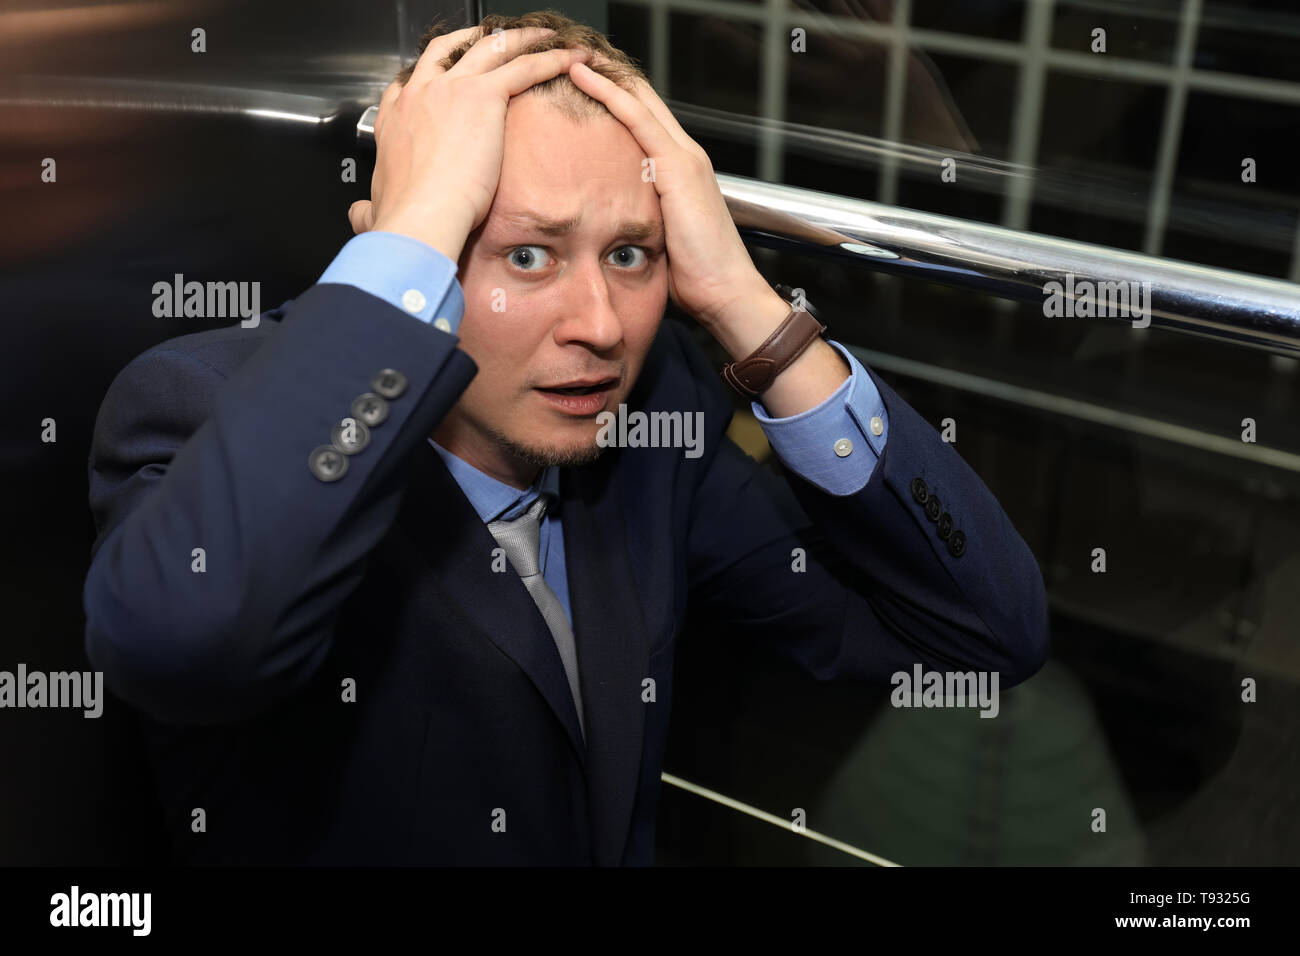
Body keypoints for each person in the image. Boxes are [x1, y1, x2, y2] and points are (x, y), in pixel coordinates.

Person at [82, 12, 1049, 865]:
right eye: (529, 254)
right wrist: (412, 238)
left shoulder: (649, 425)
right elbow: (184, 645)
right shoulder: (200, 405)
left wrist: (753, 312)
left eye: (631, 254)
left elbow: (980, 638)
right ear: (402, 243)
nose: (602, 323)